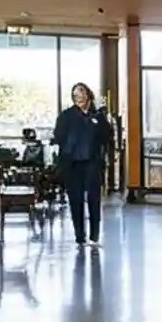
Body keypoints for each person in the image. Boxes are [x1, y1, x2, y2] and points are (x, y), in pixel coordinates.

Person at [54, 82, 113, 247]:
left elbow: (107, 136)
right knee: (75, 200)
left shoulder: (98, 116)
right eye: (75, 95)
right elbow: (58, 136)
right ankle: (79, 235)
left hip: (92, 162)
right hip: (72, 163)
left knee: (94, 199)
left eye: (81, 94)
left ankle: (94, 235)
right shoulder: (66, 116)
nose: (78, 98)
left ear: (88, 95)